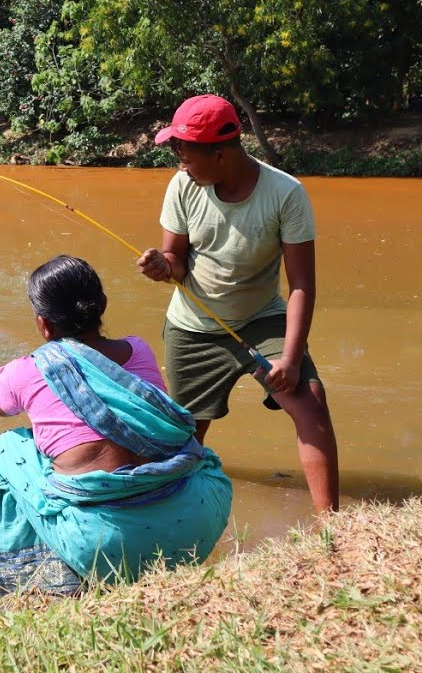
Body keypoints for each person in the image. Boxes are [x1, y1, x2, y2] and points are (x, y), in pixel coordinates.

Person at [0, 255, 232, 600]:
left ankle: (34, 579)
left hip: (103, 547)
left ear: (43, 324)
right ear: (102, 304)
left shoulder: (28, 369)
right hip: (198, 519)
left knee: (6, 449)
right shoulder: (138, 350)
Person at [136, 93, 340, 513]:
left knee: (310, 403)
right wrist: (163, 266)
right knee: (187, 435)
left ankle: (331, 529)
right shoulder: (183, 186)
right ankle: (174, 522)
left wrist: (292, 356)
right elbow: (177, 261)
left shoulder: (285, 194)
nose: (179, 162)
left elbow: (301, 284)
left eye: (184, 151)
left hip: (260, 319)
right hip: (192, 327)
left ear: (221, 154)